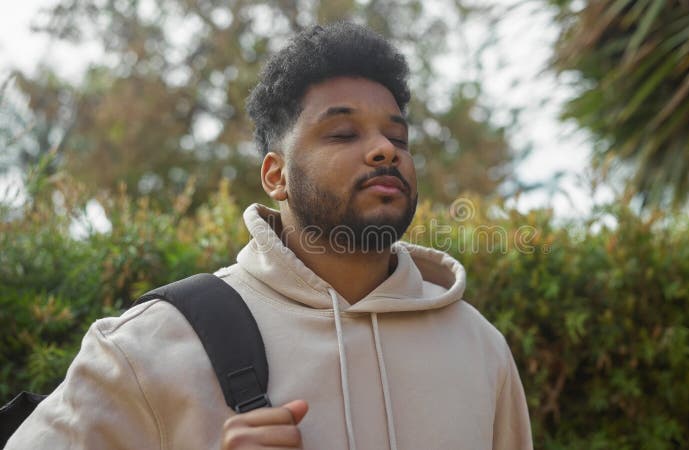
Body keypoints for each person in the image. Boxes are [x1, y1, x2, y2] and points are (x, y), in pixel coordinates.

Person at [7, 22, 532, 449]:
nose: (384, 150)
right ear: (276, 176)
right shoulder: (150, 347)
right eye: (344, 133)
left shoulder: (479, 347)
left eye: (397, 136)